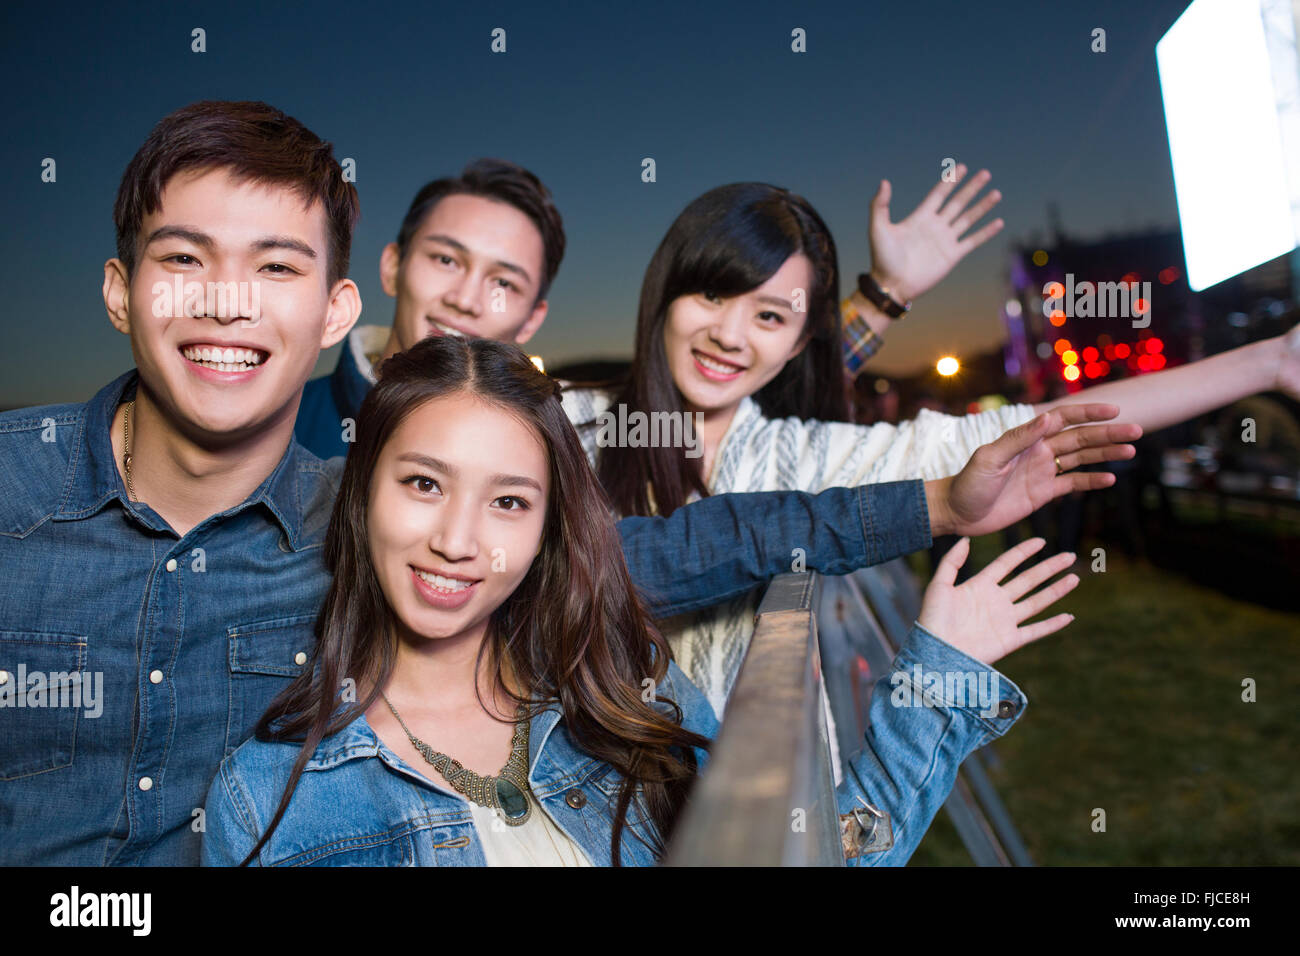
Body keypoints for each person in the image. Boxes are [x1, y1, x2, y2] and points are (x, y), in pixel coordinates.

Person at [0, 100, 1001, 866]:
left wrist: (937, 488)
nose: (227, 305)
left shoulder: (379, 517)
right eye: (186, 259)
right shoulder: (33, 490)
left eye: (273, 269)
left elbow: (701, 504)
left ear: (335, 304)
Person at [203, 336, 1100, 867]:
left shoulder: (631, 693)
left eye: (510, 500)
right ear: (361, 496)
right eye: (425, 485)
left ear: (552, 526)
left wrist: (938, 675)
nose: (459, 541)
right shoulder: (269, 802)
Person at [564, 181, 1300, 717]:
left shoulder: (810, 459)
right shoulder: (564, 429)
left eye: (769, 314)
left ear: (798, 342)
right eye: (711, 296)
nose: (730, 334)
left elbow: (1038, 422)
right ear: (664, 292)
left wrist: (1267, 363)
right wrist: (884, 292)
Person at [292, 159, 1005, 460]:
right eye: (445, 260)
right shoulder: (285, 424)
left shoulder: (558, 430)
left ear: (534, 319)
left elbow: (735, 381)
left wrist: (884, 296)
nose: (466, 298)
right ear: (392, 265)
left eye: (504, 282)